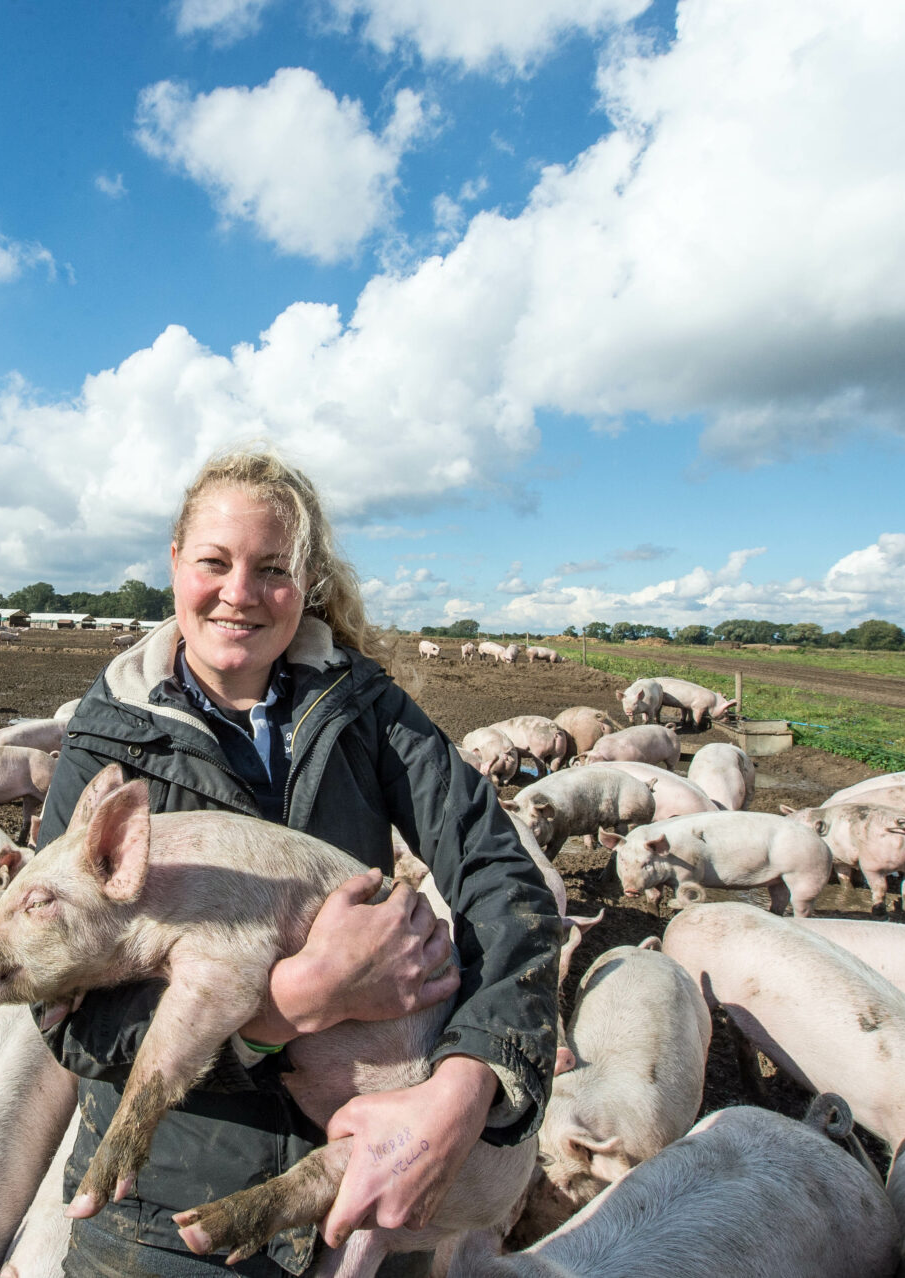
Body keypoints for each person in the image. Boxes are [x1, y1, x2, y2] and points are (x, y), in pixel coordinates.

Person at [37, 447, 560, 1277]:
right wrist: (288, 1005)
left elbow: (505, 880)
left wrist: (462, 1095)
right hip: (164, 1212)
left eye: (272, 569)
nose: (239, 593)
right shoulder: (108, 741)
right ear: (174, 565)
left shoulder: (365, 710)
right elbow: (66, 1013)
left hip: (367, 1191)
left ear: (306, 583)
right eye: (214, 562)